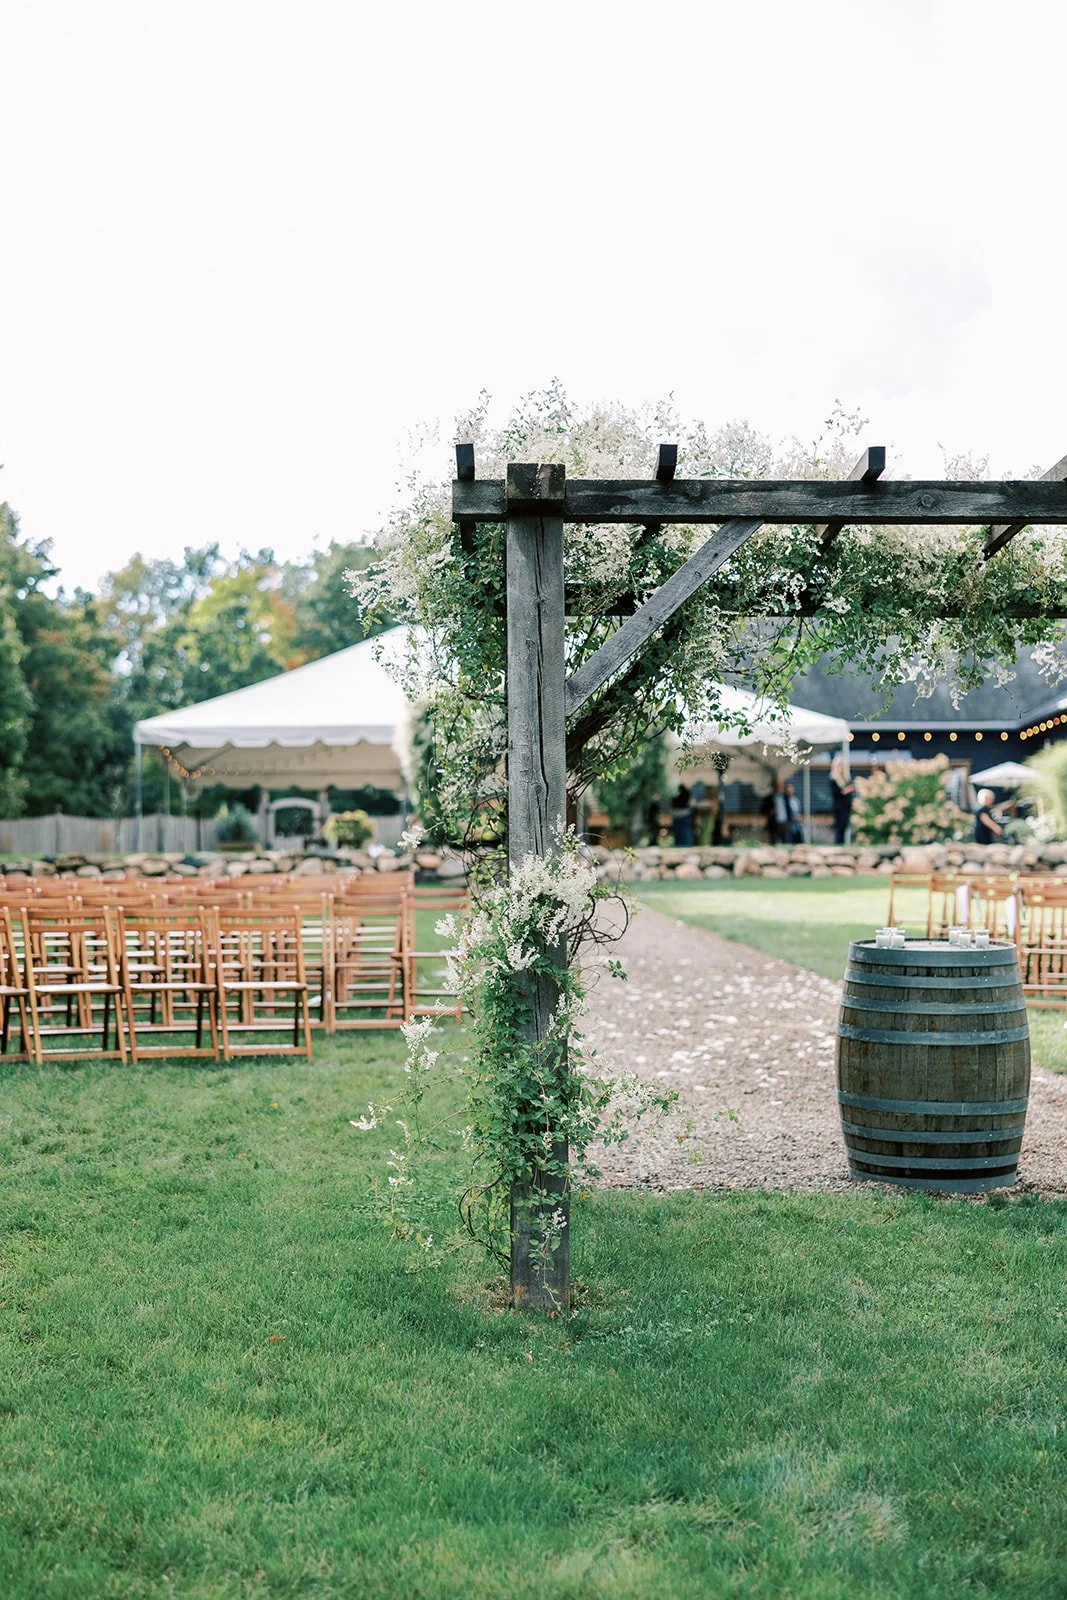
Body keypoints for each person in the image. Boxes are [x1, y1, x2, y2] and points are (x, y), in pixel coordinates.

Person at [829, 752, 855, 845]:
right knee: (840, 827)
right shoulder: (833, 779)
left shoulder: (846, 778)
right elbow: (837, 793)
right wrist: (847, 790)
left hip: (846, 807)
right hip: (839, 807)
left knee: (844, 827)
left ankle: (842, 844)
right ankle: (838, 844)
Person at [760, 779, 790, 844]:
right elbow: (762, 811)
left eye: (781, 786)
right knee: (773, 843)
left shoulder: (785, 797)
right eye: (777, 786)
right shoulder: (768, 798)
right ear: (773, 787)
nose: (780, 788)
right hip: (773, 824)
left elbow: (789, 810)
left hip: (784, 823)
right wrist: (771, 811)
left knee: (786, 843)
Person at [670, 784, 695, 848]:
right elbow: (691, 804)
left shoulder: (674, 797)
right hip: (685, 817)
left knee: (678, 836)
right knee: (685, 836)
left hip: (676, 817)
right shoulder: (687, 795)